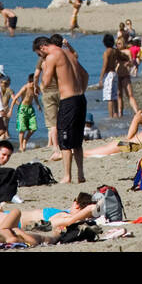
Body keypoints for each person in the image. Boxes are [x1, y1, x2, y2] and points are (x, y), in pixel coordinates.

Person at [35, 36, 87, 184]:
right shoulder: (70, 54)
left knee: (65, 140)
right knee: (77, 141)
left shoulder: (52, 56)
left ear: (43, 47)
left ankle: (67, 176)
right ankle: (81, 175)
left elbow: (45, 81)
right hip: (80, 98)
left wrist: (42, 83)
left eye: (40, 54)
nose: (41, 57)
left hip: (68, 100)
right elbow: (85, 74)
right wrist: (81, 89)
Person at [13, 73, 40, 152]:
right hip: (23, 109)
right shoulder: (25, 88)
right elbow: (15, 98)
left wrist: (38, 105)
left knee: (33, 128)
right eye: (33, 83)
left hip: (30, 109)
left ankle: (25, 140)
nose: (34, 85)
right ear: (30, 82)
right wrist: (11, 110)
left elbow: (34, 96)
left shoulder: (34, 88)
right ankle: (21, 146)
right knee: (22, 129)